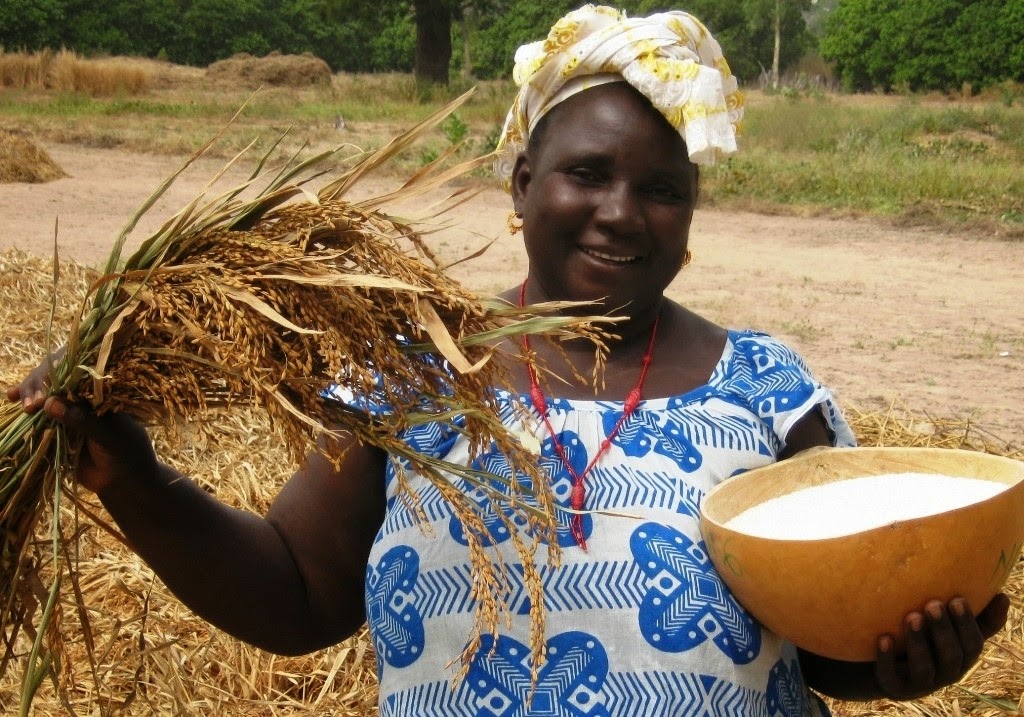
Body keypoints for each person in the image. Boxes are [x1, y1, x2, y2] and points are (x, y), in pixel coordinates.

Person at [8, 5, 1009, 716]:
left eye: (661, 187)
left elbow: (822, 643)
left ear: (692, 213)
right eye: (586, 173)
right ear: (523, 182)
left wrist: (898, 665)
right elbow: (298, 594)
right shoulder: (405, 370)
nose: (621, 211)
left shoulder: (769, 395)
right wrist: (134, 480)